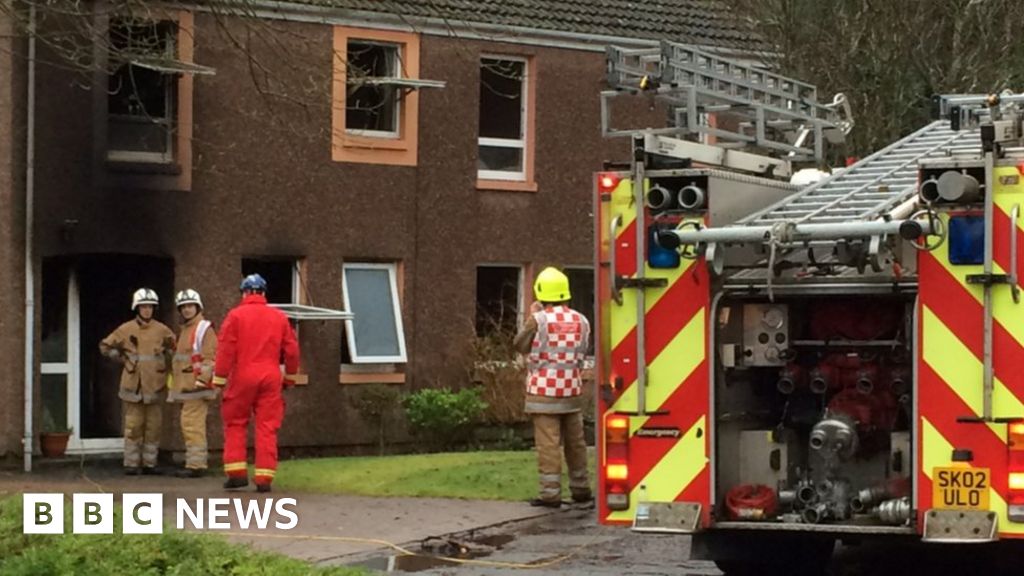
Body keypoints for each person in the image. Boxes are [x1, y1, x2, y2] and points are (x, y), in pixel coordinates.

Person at [513, 267, 592, 508]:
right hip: (572, 391)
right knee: (576, 443)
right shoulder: (581, 320)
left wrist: (532, 317)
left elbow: (520, 345)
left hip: (543, 394)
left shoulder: (539, 320)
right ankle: (581, 489)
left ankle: (550, 494)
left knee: (548, 445)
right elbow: (583, 350)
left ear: (540, 293)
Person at [213, 273, 300, 493]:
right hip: (271, 376)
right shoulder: (279, 317)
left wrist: (219, 379)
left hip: (242, 376)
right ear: (263, 293)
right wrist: (290, 377)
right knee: (267, 427)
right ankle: (264, 479)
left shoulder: (235, 316)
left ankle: (236, 474)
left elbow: (225, 349)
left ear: (244, 293)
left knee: (235, 423)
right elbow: (292, 350)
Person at [99, 287, 176, 475]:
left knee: (153, 429)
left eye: (150, 307)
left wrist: (167, 361)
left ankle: (150, 464)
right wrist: (121, 358)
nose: (147, 310)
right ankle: (131, 464)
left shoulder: (162, 330)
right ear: (137, 308)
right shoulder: (125, 329)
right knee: (133, 427)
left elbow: (174, 349)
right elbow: (105, 346)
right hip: (133, 387)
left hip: (155, 387)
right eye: (143, 306)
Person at [169, 289, 218, 478]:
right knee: (189, 426)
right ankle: (195, 463)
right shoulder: (186, 330)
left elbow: (210, 358)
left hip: (196, 388)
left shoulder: (203, 329)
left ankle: (196, 465)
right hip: (188, 388)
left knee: (192, 426)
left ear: (198, 307)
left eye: (190, 306)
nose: (187, 310)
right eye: (183, 307)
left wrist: (202, 380)